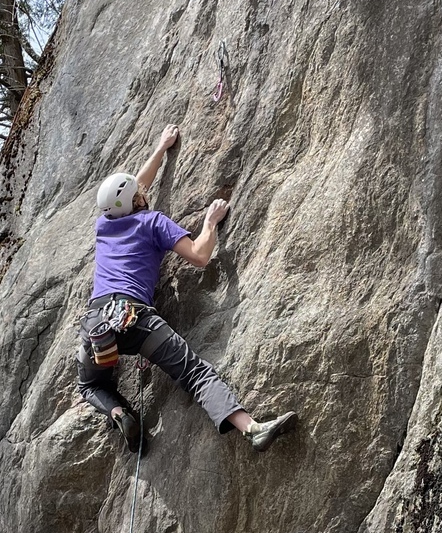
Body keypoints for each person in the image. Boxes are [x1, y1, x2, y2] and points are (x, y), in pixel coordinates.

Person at [77, 125, 296, 454]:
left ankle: (120, 413)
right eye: (139, 194)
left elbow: (136, 186)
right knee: (194, 372)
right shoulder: (153, 222)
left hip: (96, 323)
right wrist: (210, 223)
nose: (143, 191)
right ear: (137, 201)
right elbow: (199, 255)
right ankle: (251, 428)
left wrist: (162, 148)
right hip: (136, 319)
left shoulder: (104, 224)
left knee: (91, 383)